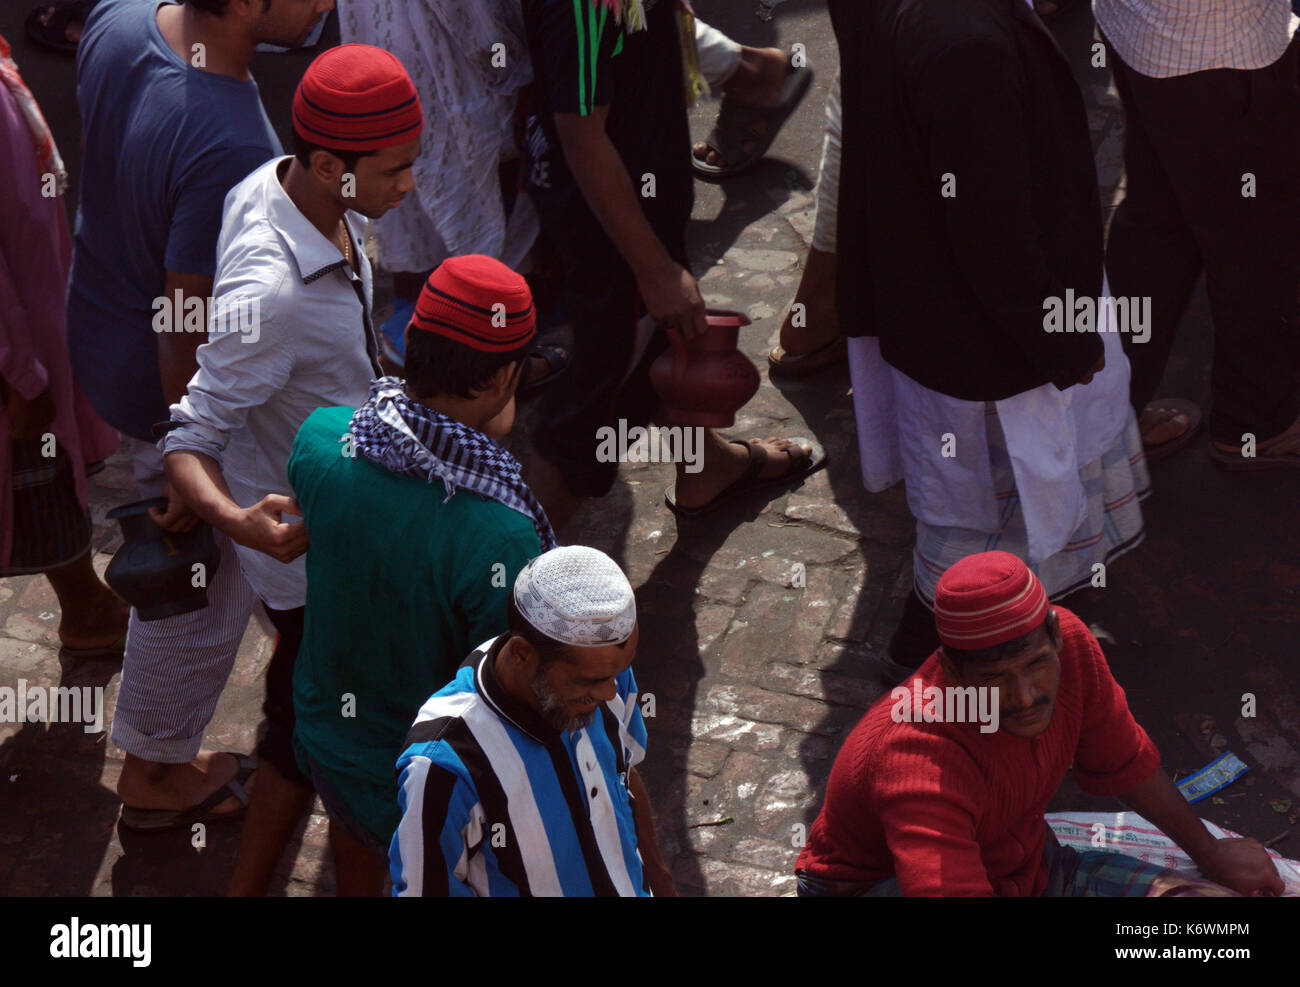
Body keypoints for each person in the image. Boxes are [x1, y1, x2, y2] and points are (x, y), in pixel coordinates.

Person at [160, 42, 422, 893]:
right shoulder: (268, 296)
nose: (408, 187)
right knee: (342, 740)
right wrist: (240, 523)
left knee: (297, 726)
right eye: (394, 171)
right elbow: (190, 439)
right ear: (325, 164)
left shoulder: (278, 185)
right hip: (311, 560)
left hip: (348, 523)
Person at [69, 0, 331, 830]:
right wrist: (196, 459)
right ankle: (153, 772)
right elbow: (189, 315)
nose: (326, 1)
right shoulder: (232, 141)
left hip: (98, 322)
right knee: (201, 581)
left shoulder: (118, 16)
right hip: (161, 384)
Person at [828, 0, 1148, 670]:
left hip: (952, 319)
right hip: (995, 349)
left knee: (987, 526)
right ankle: (934, 680)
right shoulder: (966, 42)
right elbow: (994, 236)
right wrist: (1065, 341)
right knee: (982, 538)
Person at [288, 254, 554, 896]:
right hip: (434, 781)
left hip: (331, 743)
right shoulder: (501, 534)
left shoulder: (322, 439)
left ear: (409, 342)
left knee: (359, 850)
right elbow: (514, 693)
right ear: (506, 373)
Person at [795, 551, 1285, 897]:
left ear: (1054, 635)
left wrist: (1208, 850)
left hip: (1026, 867)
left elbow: (1123, 760)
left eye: (1034, 666)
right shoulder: (917, 758)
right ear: (952, 670)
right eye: (994, 680)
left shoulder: (1072, 644)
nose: (1025, 698)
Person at [520, 0, 824, 528]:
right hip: (618, 239)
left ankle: (707, 465)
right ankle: (503, 575)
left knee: (663, 353)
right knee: (593, 411)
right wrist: (654, 270)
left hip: (636, 213)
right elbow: (582, 133)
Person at [390, 545, 674, 897]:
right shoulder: (443, 766)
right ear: (523, 654)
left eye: (618, 671)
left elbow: (624, 775)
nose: (608, 693)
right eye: (589, 681)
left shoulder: (604, 672)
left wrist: (661, 881)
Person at [1094, 0, 1300, 467]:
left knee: (1158, 224)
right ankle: (1257, 424)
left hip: (1144, 33)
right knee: (1253, 241)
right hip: (1218, 54)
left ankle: (1109, 415)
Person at [0, 34, 125, 657]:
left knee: (47, 479)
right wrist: (20, 372)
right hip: (15, 361)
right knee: (38, 481)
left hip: (35, 334)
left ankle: (87, 606)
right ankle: (88, 610)